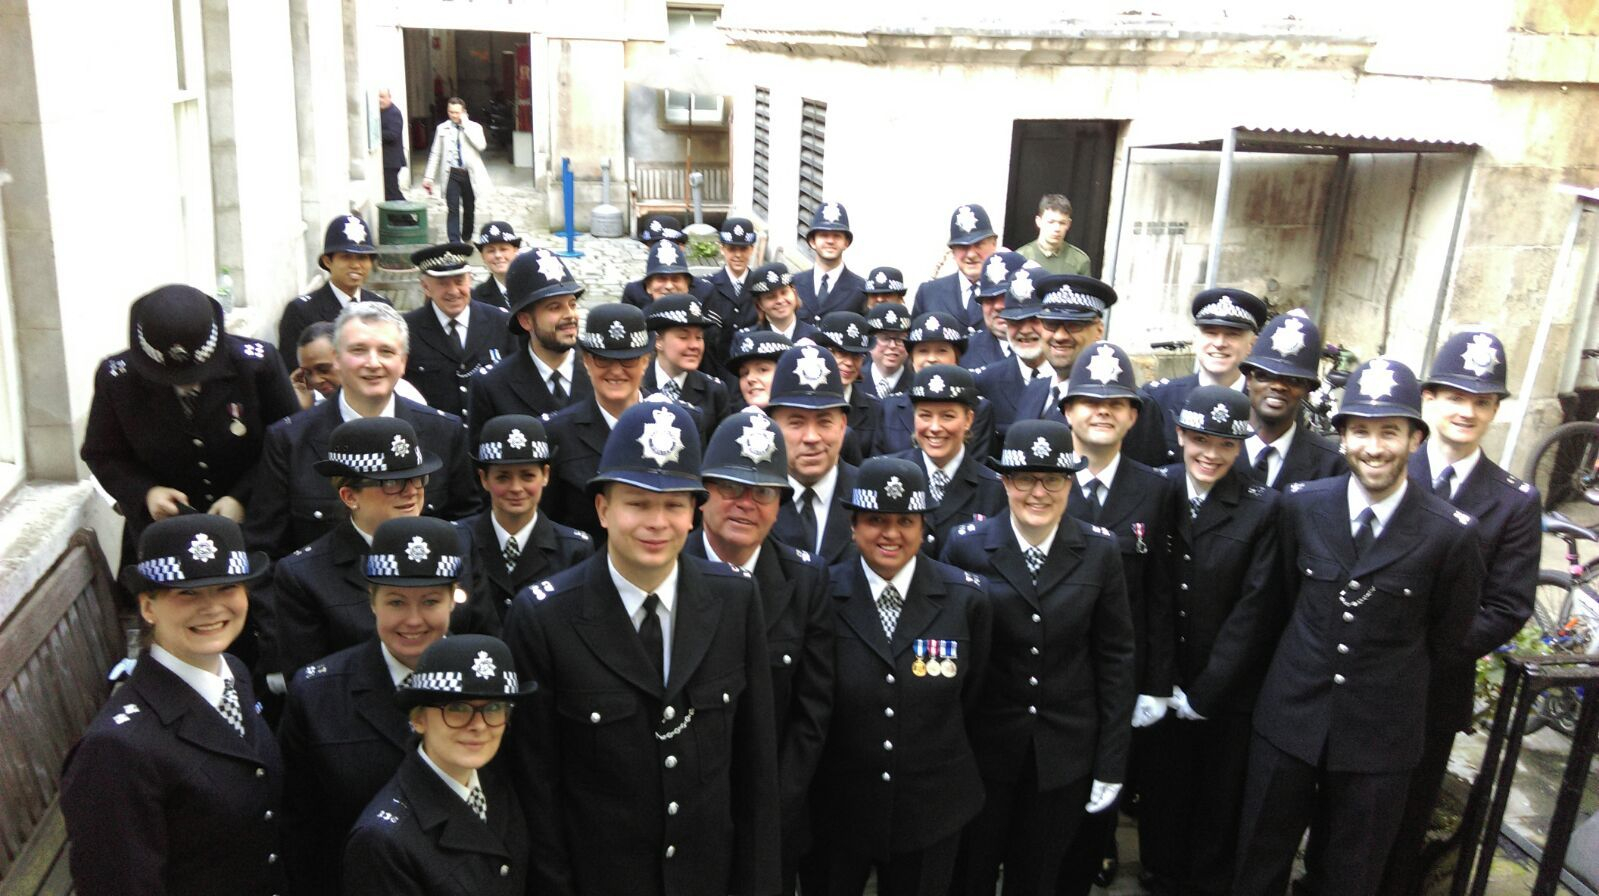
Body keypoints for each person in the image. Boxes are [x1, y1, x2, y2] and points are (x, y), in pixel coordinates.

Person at [503, 400, 782, 896]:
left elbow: (754, 776)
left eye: (674, 504)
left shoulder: (735, 599)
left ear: (694, 514)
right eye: (637, 502)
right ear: (603, 509)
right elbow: (536, 790)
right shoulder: (544, 618)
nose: (657, 522)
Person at [1233, 357, 1484, 896]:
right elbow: (1278, 603)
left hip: (1380, 736)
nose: (1374, 447)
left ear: (1415, 439)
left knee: (1351, 875)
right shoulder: (1303, 507)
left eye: (1390, 431)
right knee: (1257, 858)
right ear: (1342, 437)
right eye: (1361, 431)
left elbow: (1445, 639)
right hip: (1290, 719)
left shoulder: (1451, 536)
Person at [1375, 331, 1538, 896]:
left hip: (1432, 689)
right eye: (1454, 396)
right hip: (1361, 676)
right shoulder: (1384, 467)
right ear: (1428, 399)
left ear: (1494, 410)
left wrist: (1428, 652)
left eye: (1482, 401)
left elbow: (1508, 604)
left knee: (1407, 815)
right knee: (1343, 808)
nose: (1467, 410)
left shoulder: (1513, 500)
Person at [943, 419, 1135, 896]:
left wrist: (1111, 763)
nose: (1038, 492)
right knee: (971, 873)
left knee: (1040, 876)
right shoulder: (966, 546)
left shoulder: (1099, 551)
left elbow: (1115, 660)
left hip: (1063, 752)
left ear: (1069, 482)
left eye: (1052, 478)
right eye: (1024, 477)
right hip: (984, 749)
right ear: (1005, 481)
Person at [60, 515, 286, 896]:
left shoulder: (234, 672)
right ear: (148, 606)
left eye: (226, 587)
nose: (212, 607)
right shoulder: (117, 750)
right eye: (187, 593)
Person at [801, 456, 993, 896]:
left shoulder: (967, 599)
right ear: (852, 525)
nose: (890, 534)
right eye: (875, 520)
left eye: (905, 520)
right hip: (839, 805)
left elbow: (973, 695)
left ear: (924, 526)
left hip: (932, 806)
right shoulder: (821, 595)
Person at [1136, 386, 1282, 896]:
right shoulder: (1157, 489)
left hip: (1225, 692)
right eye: (1199, 439)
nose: (1210, 454)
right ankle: (1160, 875)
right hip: (1163, 681)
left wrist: (1207, 691)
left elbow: (1255, 609)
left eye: (1224, 443)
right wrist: (1158, 681)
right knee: (1162, 793)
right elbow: (1149, 589)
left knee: (1217, 799)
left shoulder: (1264, 508)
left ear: (1240, 447)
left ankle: (1204, 882)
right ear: (1179, 435)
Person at [687, 409, 836, 894]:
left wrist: (773, 802)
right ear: (702, 493)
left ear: (779, 504)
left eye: (764, 492)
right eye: (730, 487)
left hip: (772, 813)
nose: (745, 504)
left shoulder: (806, 580)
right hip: (682, 809)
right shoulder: (667, 566)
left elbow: (813, 709)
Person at [277, 514, 462, 893]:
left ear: (453, 599)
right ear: (371, 600)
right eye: (396, 601)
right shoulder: (317, 695)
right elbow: (299, 828)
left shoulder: (487, 683)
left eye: (430, 601)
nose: (413, 620)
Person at [1055, 340, 1179, 896]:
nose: (1101, 411)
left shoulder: (1156, 490)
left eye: (1115, 402)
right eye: (1088, 400)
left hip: (1117, 677)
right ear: (1067, 410)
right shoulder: (1040, 484)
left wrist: (1155, 683)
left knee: (1105, 789)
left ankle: (1093, 861)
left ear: (1132, 415)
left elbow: (1159, 595)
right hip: (1053, 669)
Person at [82, 285, 298, 564]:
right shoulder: (117, 379)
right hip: (165, 538)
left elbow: (289, 441)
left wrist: (242, 497)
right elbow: (102, 454)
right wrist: (146, 493)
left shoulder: (256, 364)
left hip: (255, 532)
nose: (187, 383)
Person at [245, 301, 477, 559]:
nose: (373, 363)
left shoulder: (445, 432)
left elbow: (464, 530)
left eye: (386, 351)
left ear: (403, 363)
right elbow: (264, 548)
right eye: (359, 350)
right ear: (336, 359)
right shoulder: (289, 440)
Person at [270, 417, 497, 677]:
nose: (411, 492)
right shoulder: (305, 575)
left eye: (417, 478)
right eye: (391, 483)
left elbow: (485, 642)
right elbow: (313, 688)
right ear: (350, 496)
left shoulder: (458, 543)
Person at [343, 634, 534, 895]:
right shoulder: (384, 841)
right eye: (457, 708)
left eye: (493, 708)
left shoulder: (497, 785)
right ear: (418, 719)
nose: (478, 725)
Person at [456, 414, 594, 622]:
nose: (516, 488)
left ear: (545, 475)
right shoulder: (458, 541)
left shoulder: (574, 550)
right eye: (503, 477)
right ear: (484, 479)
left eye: (527, 475)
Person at [541, 303, 653, 539]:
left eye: (628, 360)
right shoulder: (558, 431)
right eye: (603, 360)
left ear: (645, 361)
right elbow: (550, 522)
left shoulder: (675, 423)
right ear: (586, 361)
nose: (615, 371)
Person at [468, 247, 590, 435]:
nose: (570, 315)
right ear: (526, 321)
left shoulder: (602, 370)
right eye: (554, 307)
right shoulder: (493, 386)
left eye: (572, 304)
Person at [1143, 288, 1268, 463]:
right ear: (1196, 339)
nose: (1219, 343)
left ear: (1252, 344)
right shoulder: (1159, 398)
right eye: (1210, 332)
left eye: (1233, 334)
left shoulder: (1265, 407)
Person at [890, 364, 1005, 553]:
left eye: (947, 416)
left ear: (968, 420)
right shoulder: (890, 475)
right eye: (925, 415)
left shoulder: (993, 489)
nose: (935, 427)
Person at [401, 242, 516, 420]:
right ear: (425, 287)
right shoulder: (407, 330)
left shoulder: (501, 322)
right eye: (443, 283)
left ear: (470, 280)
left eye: (459, 281)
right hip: (435, 438)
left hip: (490, 436)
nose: (453, 291)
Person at [768, 345, 861, 566]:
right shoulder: (752, 498)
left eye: (824, 421)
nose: (811, 437)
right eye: (796, 422)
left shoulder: (867, 493)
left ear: (842, 426)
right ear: (773, 426)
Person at [1235, 310, 1346, 489]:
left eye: (1293, 380)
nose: (1278, 386)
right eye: (1265, 376)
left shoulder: (1331, 464)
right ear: (1249, 380)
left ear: (1308, 389)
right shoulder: (1213, 446)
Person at [874, 311, 996, 459]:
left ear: (956, 358)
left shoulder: (979, 408)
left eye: (942, 351)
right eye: (923, 351)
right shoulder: (889, 407)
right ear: (912, 359)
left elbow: (975, 466)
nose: (931, 359)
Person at [277, 213, 389, 365]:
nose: (356, 265)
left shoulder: (381, 306)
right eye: (346, 257)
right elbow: (292, 370)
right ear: (327, 261)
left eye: (362, 258)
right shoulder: (301, 311)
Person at [976, 267, 1053, 453]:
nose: (1025, 330)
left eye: (1035, 319)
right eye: (1015, 321)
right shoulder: (986, 382)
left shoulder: (1073, 381)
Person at [644, 293, 733, 429]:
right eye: (683, 337)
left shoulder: (714, 391)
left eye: (699, 337)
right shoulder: (638, 384)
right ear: (659, 341)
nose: (694, 346)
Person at [912, 203, 1000, 329]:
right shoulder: (929, 294)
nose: (971, 254)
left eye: (979, 244)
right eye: (963, 247)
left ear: (994, 244)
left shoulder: (1007, 292)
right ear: (952, 251)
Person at [815, 310, 883, 464]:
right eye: (841, 353)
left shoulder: (875, 409)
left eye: (856, 356)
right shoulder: (800, 401)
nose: (849, 363)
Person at [421, 97, 491, 242]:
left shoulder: (474, 127)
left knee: (469, 207)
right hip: (451, 173)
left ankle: (467, 236)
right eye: (451, 112)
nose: (454, 115)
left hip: (468, 174)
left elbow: (481, 146)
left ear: (464, 112)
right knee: (452, 208)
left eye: (457, 112)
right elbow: (435, 153)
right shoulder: (442, 129)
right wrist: (429, 177)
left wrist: (465, 125)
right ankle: (454, 241)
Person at [792, 201, 867, 320]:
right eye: (823, 235)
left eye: (837, 236)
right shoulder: (793, 284)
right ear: (812, 241)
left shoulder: (862, 289)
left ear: (846, 242)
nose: (830, 241)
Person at [960, 251, 1033, 371]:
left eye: (1007, 296)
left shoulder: (1048, 349)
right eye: (990, 299)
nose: (999, 306)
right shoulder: (964, 351)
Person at [744, 262, 822, 343]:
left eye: (784, 292)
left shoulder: (816, 337)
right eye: (771, 297)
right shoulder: (748, 340)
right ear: (760, 304)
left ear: (794, 292)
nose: (780, 300)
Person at [1015, 194, 1092, 276]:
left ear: (1068, 224)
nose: (1057, 228)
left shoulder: (1079, 261)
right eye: (1051, 222)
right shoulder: (1020, 258)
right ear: (1039, 221)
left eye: (1062, 223)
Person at [726, 330, 794, 409]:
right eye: (744, 373)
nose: (750, 379)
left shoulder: (811, 416)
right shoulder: (733, 420)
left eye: (763, 370)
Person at [865, 301, 912, 398]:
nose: (892, 345)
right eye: (885, 338)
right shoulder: (854, 380)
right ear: (869, 342)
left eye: (900, 339)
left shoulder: (917, 385)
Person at [472, 221, 522, 310]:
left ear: (515, 251)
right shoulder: (476, 297)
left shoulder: (534, 286)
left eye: (503, 249)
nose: (498, 255)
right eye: (491, 251)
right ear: (482, 256)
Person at [291, 321, 341, 408]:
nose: (316, 380)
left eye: (324, 369)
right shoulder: (317, 407)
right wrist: (305, 410)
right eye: (307, 373)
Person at [378, 88, 406, 202]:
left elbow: (393, 134)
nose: (380, 100)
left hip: (392, 161)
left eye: (383, 97)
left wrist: (376, 133)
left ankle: (408, 218)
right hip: (387, 161)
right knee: (391, 192)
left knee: (393, 192)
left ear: (389, 97)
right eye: (378, 97)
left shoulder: (394, 112)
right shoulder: (381, 111)